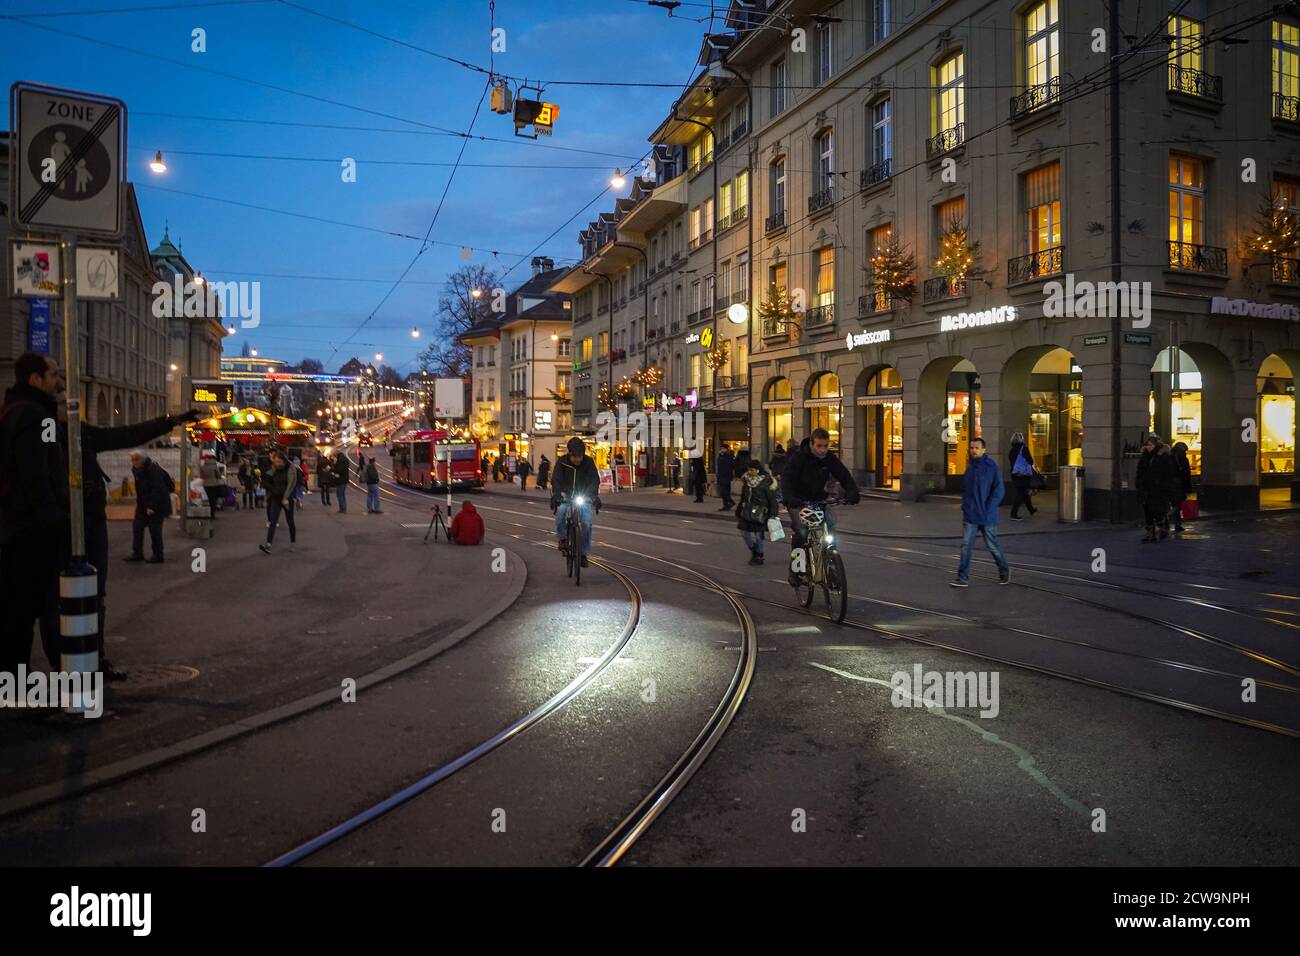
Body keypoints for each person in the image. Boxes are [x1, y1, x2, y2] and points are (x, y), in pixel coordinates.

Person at [53, 403, 199, 676]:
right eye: (62, 400)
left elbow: (126, 434)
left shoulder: (80, 433)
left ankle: (92, 659)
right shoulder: (44, 433)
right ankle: (68, 667)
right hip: (63, 523)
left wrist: (170, 421)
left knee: (95, 593)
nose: (71, 406)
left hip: (91, 520)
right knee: (59, 598)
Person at [0, 353, 68, 674]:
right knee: (24, 610)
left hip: (17, 525)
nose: (58, 380)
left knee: (19, 609)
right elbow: (38, 473)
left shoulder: (15, 410)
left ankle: (16, 677)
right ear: (35, 379)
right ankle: (15, 681)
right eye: (53, 374)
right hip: (31, 531)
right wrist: (53, 519)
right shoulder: (34, 416)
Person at [781, 428, 861, 584]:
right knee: (801, 532)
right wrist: (790, 497)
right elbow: (787, 478)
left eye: (825, 446)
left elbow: (844, 475)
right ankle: (796, 570)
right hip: (798, 500)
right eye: (819, 446)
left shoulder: (829, 458)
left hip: (818, 499)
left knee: (830, 526)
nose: (823, 450)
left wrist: (852, 492)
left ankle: (831, 562)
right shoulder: (799, 457)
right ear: (812, 444)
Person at [951, 437, 1010, 587]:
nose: (973, 451)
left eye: (976, 448)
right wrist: (965, 505)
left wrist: (989, 508)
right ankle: (962, 578)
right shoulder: (970, 467)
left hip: (987, 516)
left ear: (984, 450)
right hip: (971, 514)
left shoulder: (991, 467)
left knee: (992, 546)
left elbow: (999, 491)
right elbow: (966, 490)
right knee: (966, 546)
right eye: (971, 448)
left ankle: (1004, 571)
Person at [550, 436, 601, 568]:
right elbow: (556, 479)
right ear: (569, 453)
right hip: (566, 495)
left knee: (586, 523)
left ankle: (583, 554)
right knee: (560, 514)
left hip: (583, 495)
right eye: (575, 457)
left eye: (580, 457)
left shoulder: (588, 462)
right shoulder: (562, 462)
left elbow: (594, 479)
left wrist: (594, 496)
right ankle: (562, 539)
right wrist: (557, 494)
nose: (577, 459)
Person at [126, 450, 173, 563]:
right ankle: (137, 553)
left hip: (157, 504)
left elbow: (159, 489)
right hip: (143, 503)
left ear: (142, 460)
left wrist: (152, 506)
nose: (134, 462)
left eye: (136, 459)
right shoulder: (136, 470)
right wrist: (141, 505)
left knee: (155, 530)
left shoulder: (153, 470)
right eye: (132, 460)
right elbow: (140, 489)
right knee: (137, 526)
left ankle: (158, 555)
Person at [736, 459, 778, 566]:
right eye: (748, 470)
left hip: (760, 512)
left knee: (759, 535)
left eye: (751, 470)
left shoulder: (766, 482)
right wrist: (739, 508)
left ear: (758, 470)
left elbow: (772, 500)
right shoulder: (747, 481)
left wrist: (773, 514)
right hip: (747, 511)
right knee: (744, 532)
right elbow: (743, 496)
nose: (749, 472)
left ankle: (759, 556)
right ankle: (754, 550)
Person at [1136, 433, 1176, 542]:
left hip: (1158, 490)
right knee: (1147, 511)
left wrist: (1166, 488)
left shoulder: (1163, 457)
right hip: (1146, 489)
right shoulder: (1144, 457)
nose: (1149, 447)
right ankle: (1150, 533)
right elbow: (1139, 472)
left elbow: (1168, 474)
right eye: (1147, 445)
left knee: (1158, 511)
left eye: (1151, 445)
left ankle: (1162, 528)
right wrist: (1139, 484)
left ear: (1156, 445)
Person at [259, 450, 299, 553]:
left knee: (290, 521)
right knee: (273, 521)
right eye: (275, 462)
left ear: (284, 461)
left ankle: (293, 543)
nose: (277, 464)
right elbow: (266, 481)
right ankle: (268, 544)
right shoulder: (274, 468)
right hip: (276, 498)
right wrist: (270, 492)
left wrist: (286, 498)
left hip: (287, 499)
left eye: (279, 462)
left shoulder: (291, 469)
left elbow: (291, 485)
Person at [1006, 431, 1038, 520]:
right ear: (1021, 439)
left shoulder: (1012, 450)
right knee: (1021, 493)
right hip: (1024, 475)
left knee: (1024, 492)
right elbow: (1030, 461)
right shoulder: (1024, 449)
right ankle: (1013, 514)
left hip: (1015, 474)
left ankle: (1031, 509)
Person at [1169, 441, 1193, 533]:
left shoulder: (1170, 457)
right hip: (1179, 484)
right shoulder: (1182, 458)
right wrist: (1189, 487)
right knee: (1178, 504)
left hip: (1171, 483)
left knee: (1175, 503)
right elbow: (1186, 474)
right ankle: (1168, 517)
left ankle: (1177, 524)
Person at [199, 452, 226, 519]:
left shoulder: (203, 466)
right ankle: (212, 513)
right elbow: (218, 475)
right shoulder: (214, 466)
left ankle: (210, 513)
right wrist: (220, 477)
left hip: (206, 484)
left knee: (209, 498)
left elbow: (202, 476)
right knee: (213, 499)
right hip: (214, 484)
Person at [716, 445, 736, 510]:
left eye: (723, 448)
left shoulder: (729, 456)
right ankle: (726, 506)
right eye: (721, 448)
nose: (722, 450)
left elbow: (732, 465)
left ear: (727, 449)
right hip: (721, 476)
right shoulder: (720, 456)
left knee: (724, 492)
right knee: (723, 492)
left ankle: (731, 502)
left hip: (726, 476)